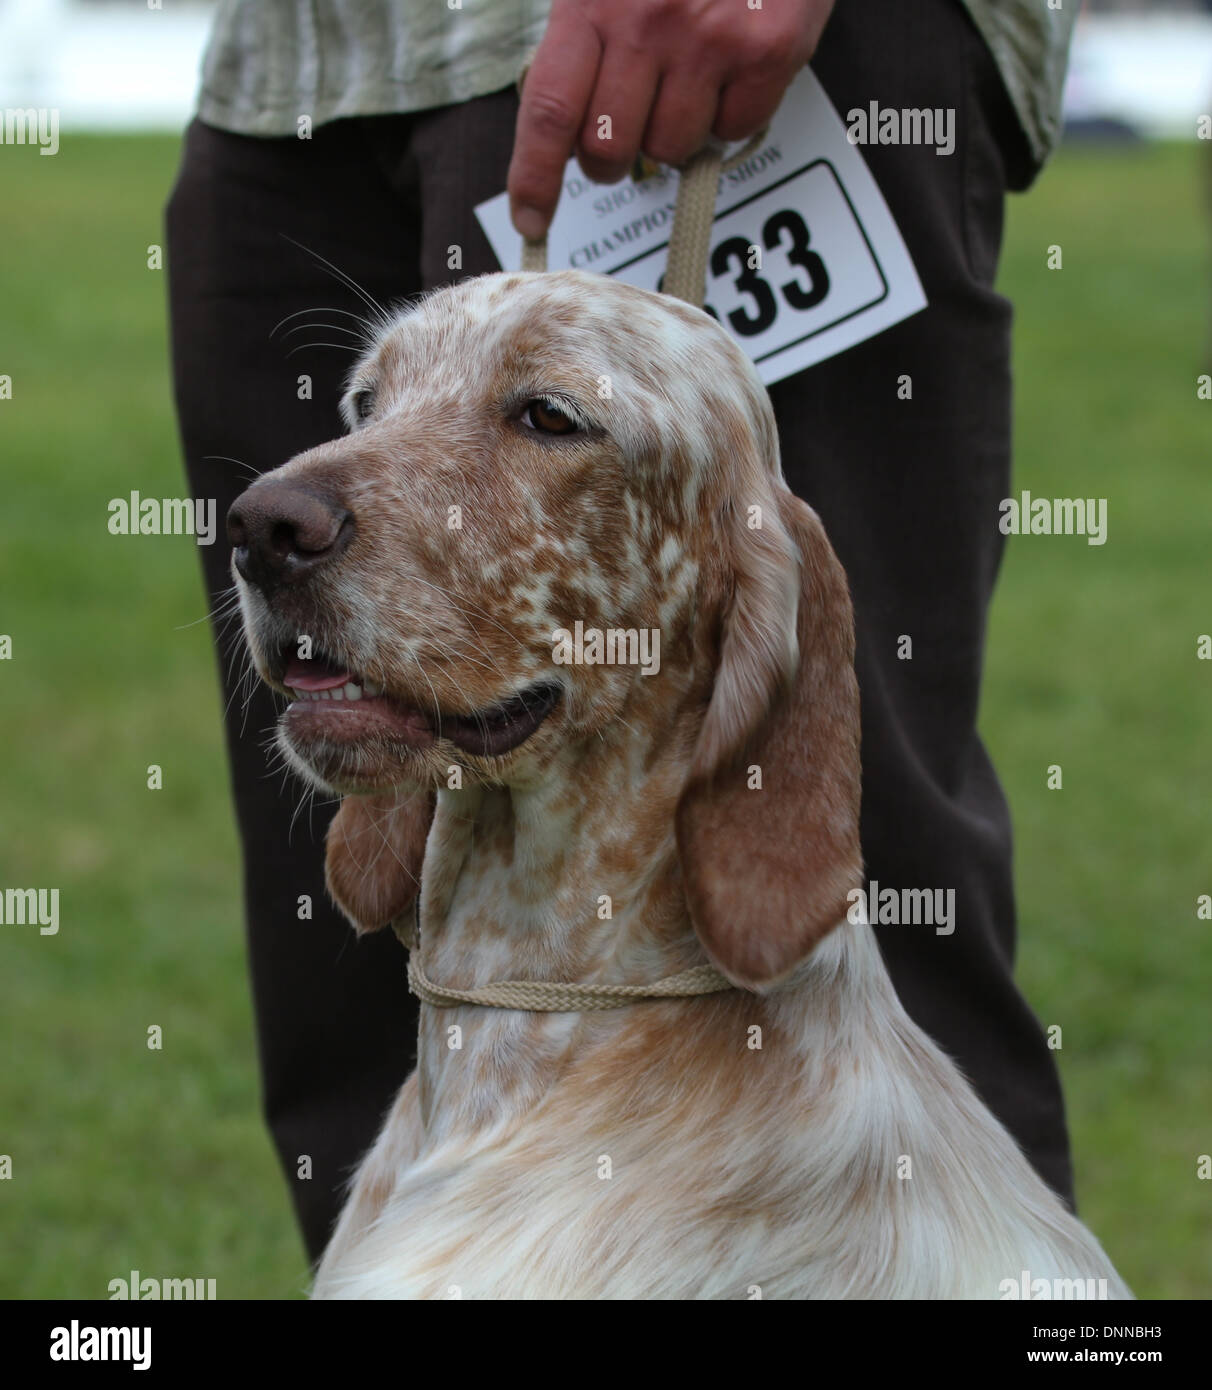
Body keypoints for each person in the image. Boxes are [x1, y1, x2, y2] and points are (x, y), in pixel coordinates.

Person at [167, 0, 1079, 1266]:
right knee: (352, 990)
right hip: (304, 69)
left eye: (544, 418)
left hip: (723, 47)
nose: (286, 506)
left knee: (839, 921)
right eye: (366, 405)